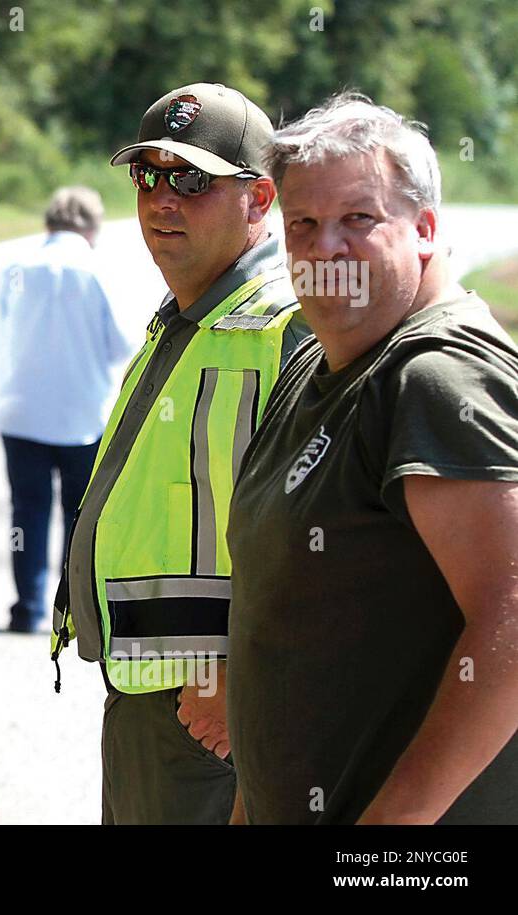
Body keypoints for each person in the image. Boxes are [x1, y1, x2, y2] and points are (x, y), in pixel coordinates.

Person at [227, 93, 518, 824]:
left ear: (422, 229)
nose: (325, 248)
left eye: (359, 219)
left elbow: (512, 623)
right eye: (304, 224)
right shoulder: (319, 364)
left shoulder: (436, 378)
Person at [50, 82, 310, 824]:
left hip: (219, 709)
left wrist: (246, 676)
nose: (163, 198)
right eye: (149, 175)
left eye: (192, 179)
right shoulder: (190, 314)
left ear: (259, 199)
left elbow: (321, 534)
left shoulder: (284, 327)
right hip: (155, 697)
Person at [0, 187, 132, 633]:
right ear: (92, 228)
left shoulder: (17, 266)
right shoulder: (98, 271)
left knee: (27, 512)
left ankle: (28, 608)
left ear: (49, 222)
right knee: (80, 514)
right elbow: (121, 345)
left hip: (21, 410)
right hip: (82, 415)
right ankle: (70, 612)